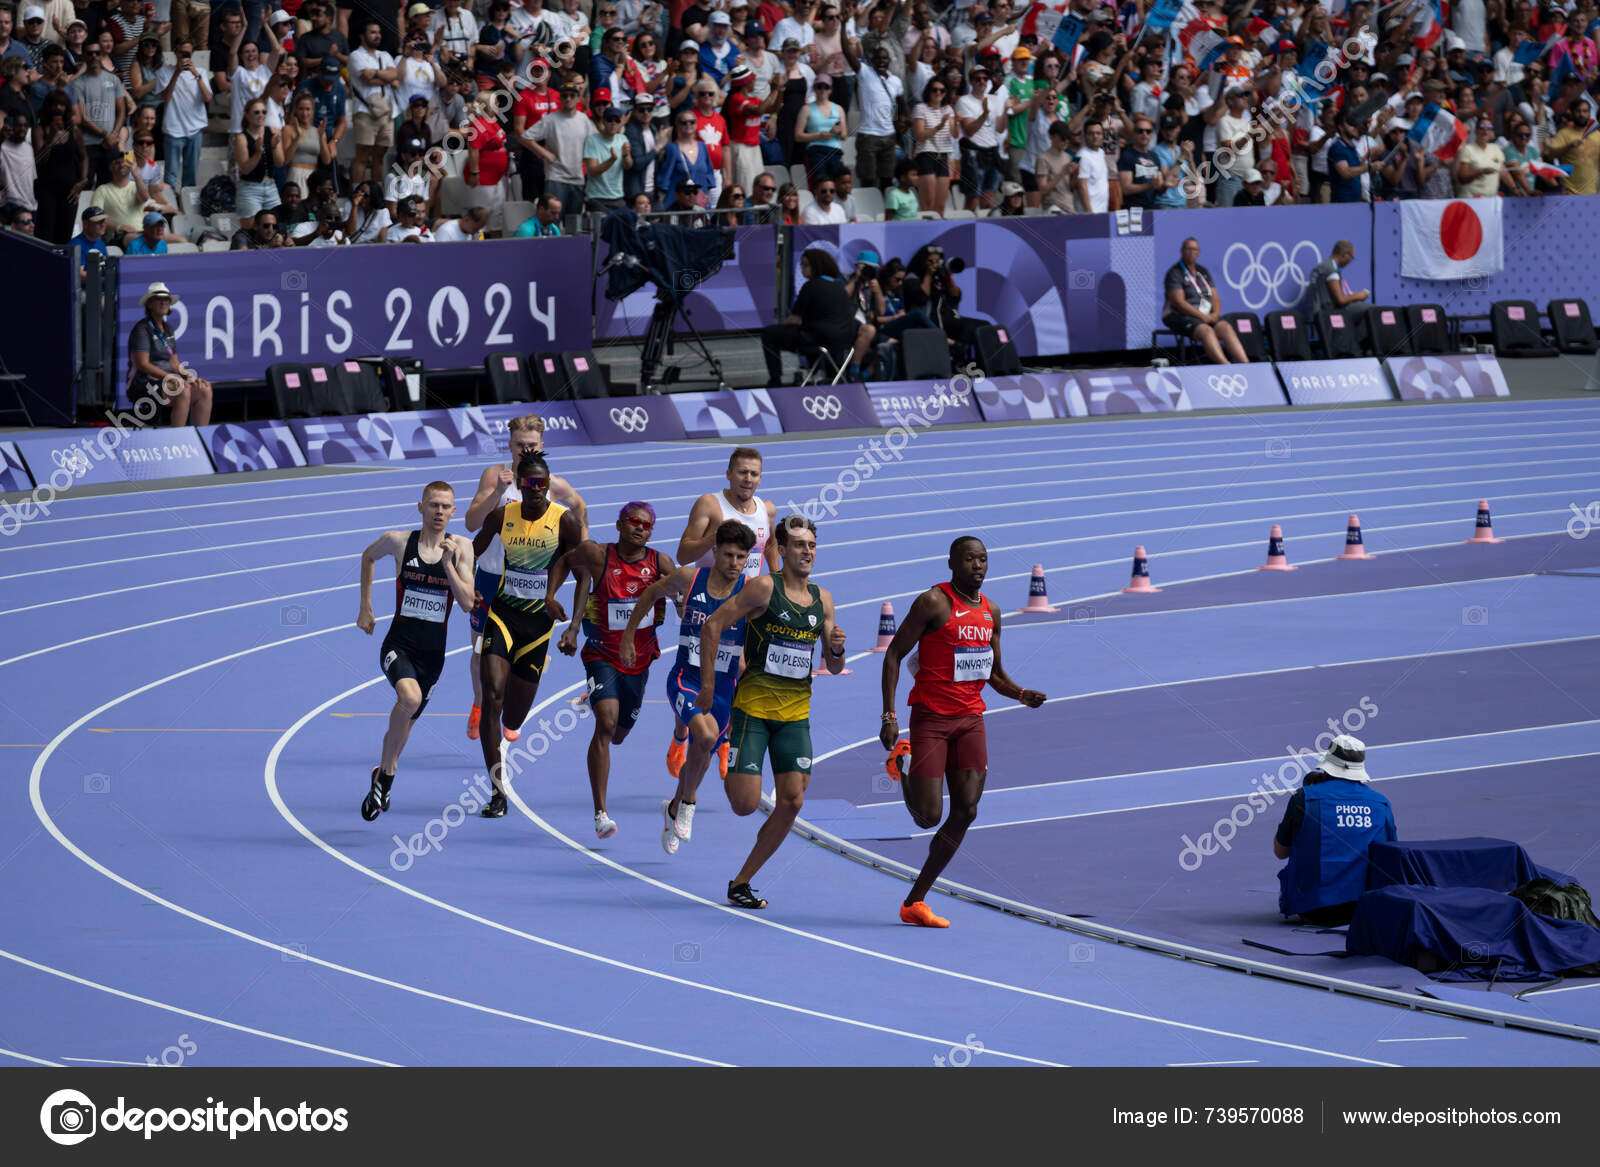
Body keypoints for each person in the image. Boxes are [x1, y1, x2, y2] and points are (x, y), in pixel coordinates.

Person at [879, 536, 1046, 927]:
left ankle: (915, 901)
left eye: (984, 560)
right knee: (927, 817)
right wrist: (889, 716)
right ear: (952, 564)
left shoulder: (992, 612)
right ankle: (901, 762)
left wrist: (1021, 694)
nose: (978, 566)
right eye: (970, 559)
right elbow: (892, 654)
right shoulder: (933, 603)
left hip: (971, 719)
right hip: (932, 719)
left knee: (967, 810)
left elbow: (995, 676)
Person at [696, 515, 847, 909]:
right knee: (745, 805)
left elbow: (831, 666)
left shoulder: (824, 599)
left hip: (795, 716)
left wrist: (835, 649)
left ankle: (741, 881)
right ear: (780, 549)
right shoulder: (764, 588)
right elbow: (712, 626)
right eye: (798, 544)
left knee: (793, 801)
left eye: (812, 545)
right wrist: (710, 686)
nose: (807, 552)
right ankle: (721, 748)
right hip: (753, 711)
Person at [624, 519, 755, 854]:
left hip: (725, 687)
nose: (734, 563)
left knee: (703, 755)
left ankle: (673, 807)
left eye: (742, 557)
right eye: (728, 555)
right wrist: (631, 636)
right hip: (687, 679)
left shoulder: (749, 591)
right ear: (714, 552)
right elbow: (652, 592)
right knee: (707, 736)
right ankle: (688, 802)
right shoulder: (689, 578)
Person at [470, 449, 584, 819]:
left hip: (538, 627)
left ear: (548, 485)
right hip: (502, 615)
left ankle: (508, 728)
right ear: (519, 484)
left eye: (542, 483)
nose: (536, 489)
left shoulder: (564, 521)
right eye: (529, 482)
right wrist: (466, 587)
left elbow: (583, 575)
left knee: (513, 717)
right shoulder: (503, 515)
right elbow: (472, 549)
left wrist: (573, 626)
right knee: (493, 695)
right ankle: (497, 790)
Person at [355, 483, 478, 821]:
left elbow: (468, 603)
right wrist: (366, 607)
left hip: (432, 657)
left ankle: (384, 777)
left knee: (406, 724)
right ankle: (387, 772)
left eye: (446, 507)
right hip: (398, 645)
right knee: (408, 700)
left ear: (454, 512)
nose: (440, 512)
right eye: (434, 505)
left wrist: (449, 564)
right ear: (421, 507)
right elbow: (368, 556)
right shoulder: (399, 542)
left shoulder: (463, 548)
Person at [462, 413, 588, 742]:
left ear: (542, 446)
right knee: (479, 651)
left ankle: (511, 711)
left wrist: (578, 549)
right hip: (490, 580)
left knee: (523, 654)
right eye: (520, 445)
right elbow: (471, 523)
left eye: (532, 445)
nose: (525, 450)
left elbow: (579, 507)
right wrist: (497, 493)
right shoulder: (494, 476)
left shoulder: (553, 484)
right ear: (510, 445)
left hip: (533, 584)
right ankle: (479, 704)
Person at [556, 503, 672, 838]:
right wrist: (555, 603)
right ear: (620, 524)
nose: (640, 528)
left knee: (619, 734)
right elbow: (564, 562)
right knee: (605, 725)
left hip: (640, 660)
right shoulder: (597, 554)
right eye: (634, 522)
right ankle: (600, 813)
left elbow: (686, 590)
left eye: (647, 525)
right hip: (601, 654)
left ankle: (601, 697)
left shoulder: (660, 563)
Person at [666, 447, 777, 777]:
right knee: (697, 668)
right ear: (728, 473)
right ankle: (681, 733)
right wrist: (715, 535)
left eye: (754, 473)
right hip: (706, 599)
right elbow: (683, 552)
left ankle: (726, 738)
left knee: (740, 667)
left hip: (746, 602)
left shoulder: (766, 509)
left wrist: (778, 580)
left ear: (760, 477)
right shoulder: (710, 504)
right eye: (742, 472)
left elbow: (769, 544)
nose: (748, 479)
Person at [1274, 735, 1396, 925]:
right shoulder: (1382, 803)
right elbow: (1390, 854)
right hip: (1364, 909)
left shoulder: (1304, 798)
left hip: (1313, 909)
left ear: (1327, 765)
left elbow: (1280, 852)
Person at [760, 246, 858, 386]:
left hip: (817, 340)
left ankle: (775, 379)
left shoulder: (810, 286)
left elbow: (794, 319)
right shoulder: (839, 287)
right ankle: (822, 372)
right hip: (844, 341)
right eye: (801, 264)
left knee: (769, 333)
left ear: (816, 266)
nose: (801, 267)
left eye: (805, 264)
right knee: (811, 331)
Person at [128, 282, 212, 425]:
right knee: (182, 389)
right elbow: (142, 364)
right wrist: (169, 377)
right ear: (149, 304)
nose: (163, 302)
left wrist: (190, 377)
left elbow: (174, 363)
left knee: (204, 389)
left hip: (168, 382)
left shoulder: (168, 329)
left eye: (166, 299)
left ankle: (200, 439)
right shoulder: (142, 329)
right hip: (145, 383)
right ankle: (178, 439)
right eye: (159, 299)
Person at [1161, 236, 1248, 366]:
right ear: (1182, 251)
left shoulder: (1203, 272)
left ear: (1198, 253)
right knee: (1206, 330)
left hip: (1205, 316)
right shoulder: (1174, 273)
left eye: (1195, 250)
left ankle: (1247, 366)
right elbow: (1178, 302)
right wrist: (1203, 316)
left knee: (1225, 327)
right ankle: (1226, 366)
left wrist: (1215, 315)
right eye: (1188, 249)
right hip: (1180, 315)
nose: (1192, 252)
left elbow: (1215, 298)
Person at [1303, 238, 1371, 321]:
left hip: (1315, 311)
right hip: (1326, 312)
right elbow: (1341, 300)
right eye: (1351, 257)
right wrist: (1359, 295)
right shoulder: (1330, 269)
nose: (1350, 261)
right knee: (1372, 310)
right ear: (1345, 255)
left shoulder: (1322, 266)